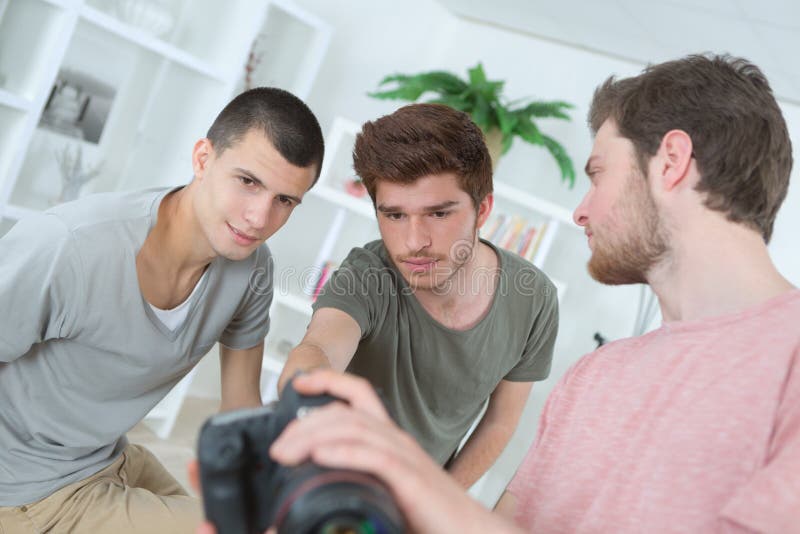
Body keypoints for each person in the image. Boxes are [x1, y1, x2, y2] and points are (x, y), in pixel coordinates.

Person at [263, 54, 800, 533]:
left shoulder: (788, 364)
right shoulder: (595, 377)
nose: (581, 210)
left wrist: (415, 485)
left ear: (672, 162)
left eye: (598, 174)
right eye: (394, 215)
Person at [0, 87, 324, 533]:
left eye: (285, 200)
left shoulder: (251, 269)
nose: (258, 217)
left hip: (109, 458)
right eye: (248, 182)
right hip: (26, 493)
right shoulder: (69, 246)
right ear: (203, 159)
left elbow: (239, 411)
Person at [277, 103, 559, 488]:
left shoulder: (534, 299)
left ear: (484, 208)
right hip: (322, 484)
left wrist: (437, 504)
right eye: (394, 215)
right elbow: (321, 347)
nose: (414, 243)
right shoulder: (366, 273)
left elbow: (500, 422)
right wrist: (305, 385)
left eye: (439, 214)